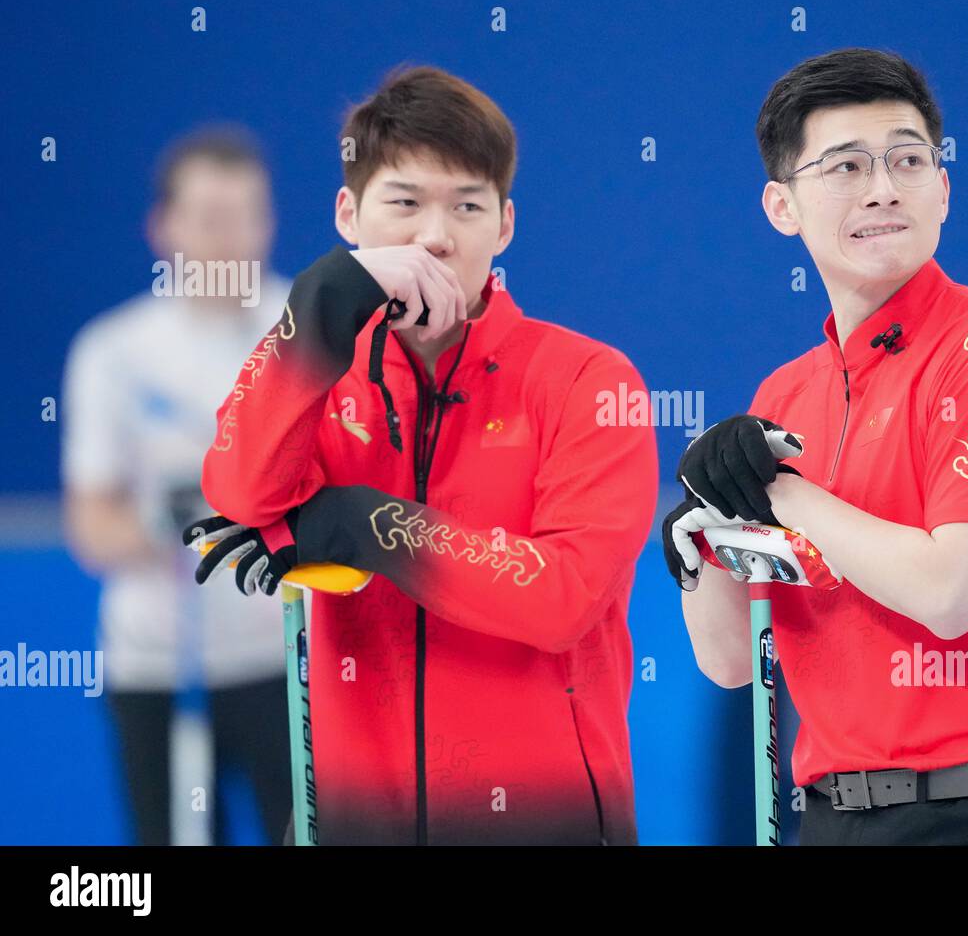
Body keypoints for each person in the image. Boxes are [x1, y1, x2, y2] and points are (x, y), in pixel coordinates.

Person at [182, 65, 658, 845]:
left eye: (468, 206)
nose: (434, 236)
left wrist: (368, 525)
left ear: (504, 226)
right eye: (403, 202)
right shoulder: (319, 381)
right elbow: (239, 493)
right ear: (349, 215)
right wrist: (322, 306)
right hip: (358, 820)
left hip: (547, 822)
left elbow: (564, 597)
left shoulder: (588, 379)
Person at [663, 48, 968, 845]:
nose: (882, 188)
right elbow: (729, 661)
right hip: (833, 815)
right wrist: (695, 536)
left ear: (943, 187)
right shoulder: (784, 398)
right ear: (780, 205)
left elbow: (952, 595)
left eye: (907, 158)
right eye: (845, 166)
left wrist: (780, 492)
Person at [62, 125, 293, 844]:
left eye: (244, 215)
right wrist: (180, 524)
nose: (228, 238)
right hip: (157, 666)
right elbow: (93, 527)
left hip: (284, 661)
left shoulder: (308, 333)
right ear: (164, 226)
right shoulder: (113, 352)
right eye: (208, 217)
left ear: (269, 222)